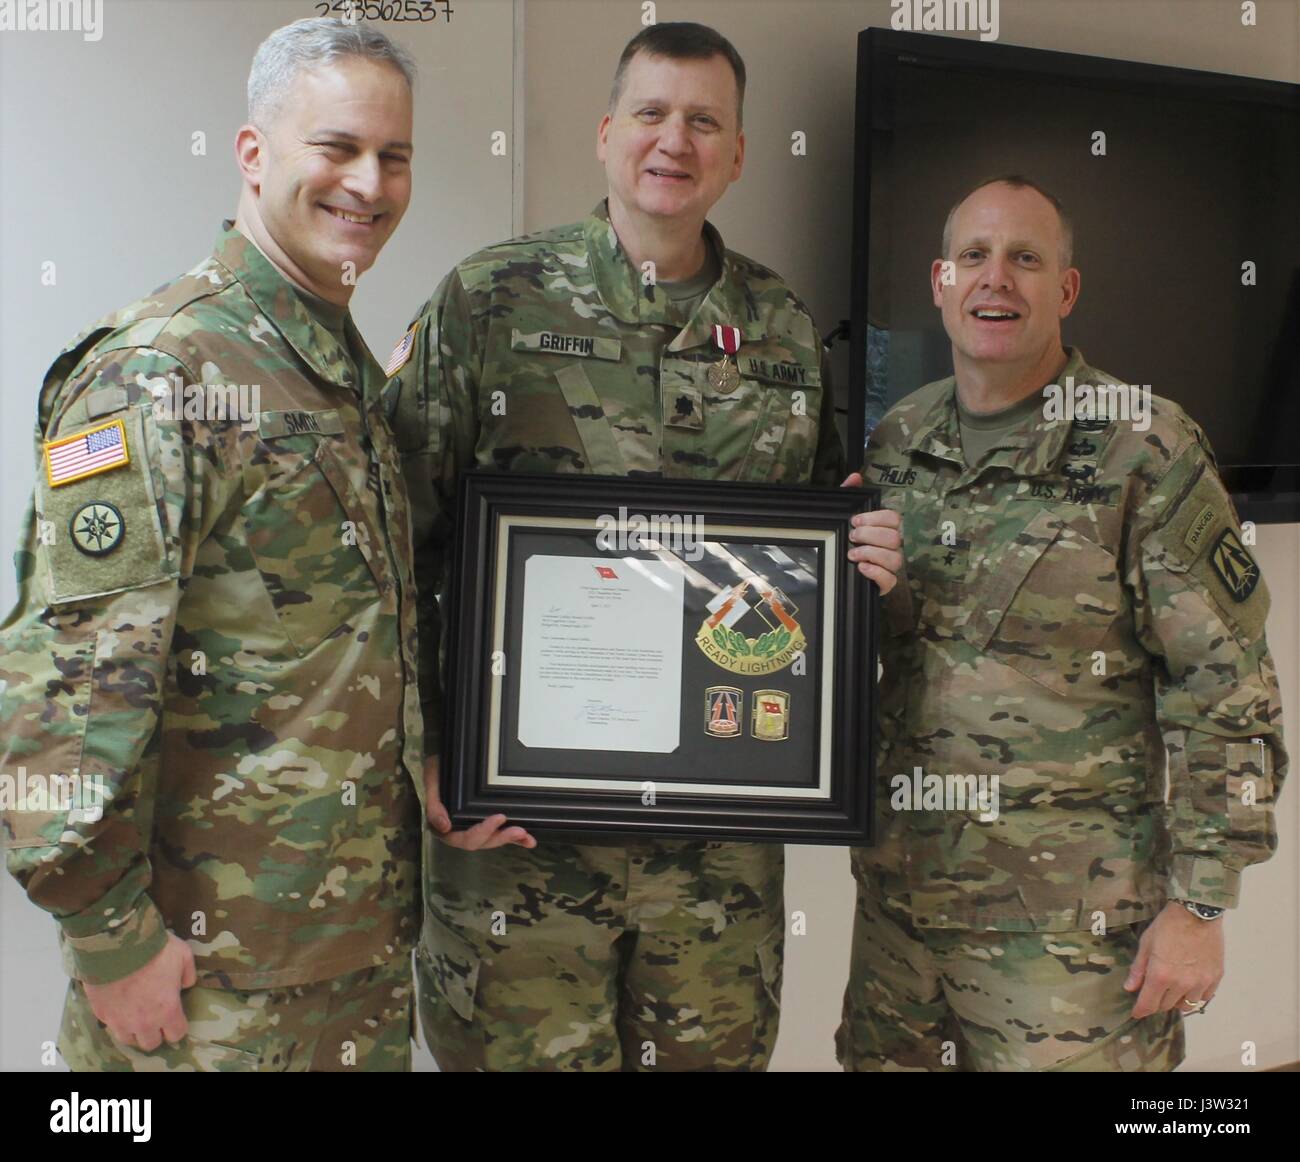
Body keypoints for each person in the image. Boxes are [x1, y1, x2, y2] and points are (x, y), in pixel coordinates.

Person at [390, 21, 901, 1071]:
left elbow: (807, 557)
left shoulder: (783, 333)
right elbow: (401, 546)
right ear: (607, 132)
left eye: (704, 120)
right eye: (653, 113)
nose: (675, 140)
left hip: (714, 867)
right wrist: (427, 748)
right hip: (519, 853)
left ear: (737, 153)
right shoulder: (490, 302)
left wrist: (863, 562)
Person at [1, 17, 424, 1071]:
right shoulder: (159, 371)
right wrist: (109, 938)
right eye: (335, 147)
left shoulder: (344, 372)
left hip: (351, 961)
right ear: (254, 154)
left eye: (394, 155)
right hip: (205, 990)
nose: (367, 183)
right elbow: (63, 688)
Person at [836, 175, 1288, 1072]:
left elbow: (1227, 690)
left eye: (1025, 259)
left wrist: (1200, 909)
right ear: (940, 280)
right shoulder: (899, 440)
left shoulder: (1142, 446)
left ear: (1066, 291)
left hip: (1069, 937)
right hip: (903, 908)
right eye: (975, 256)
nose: (995, 279)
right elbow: (901, 648)